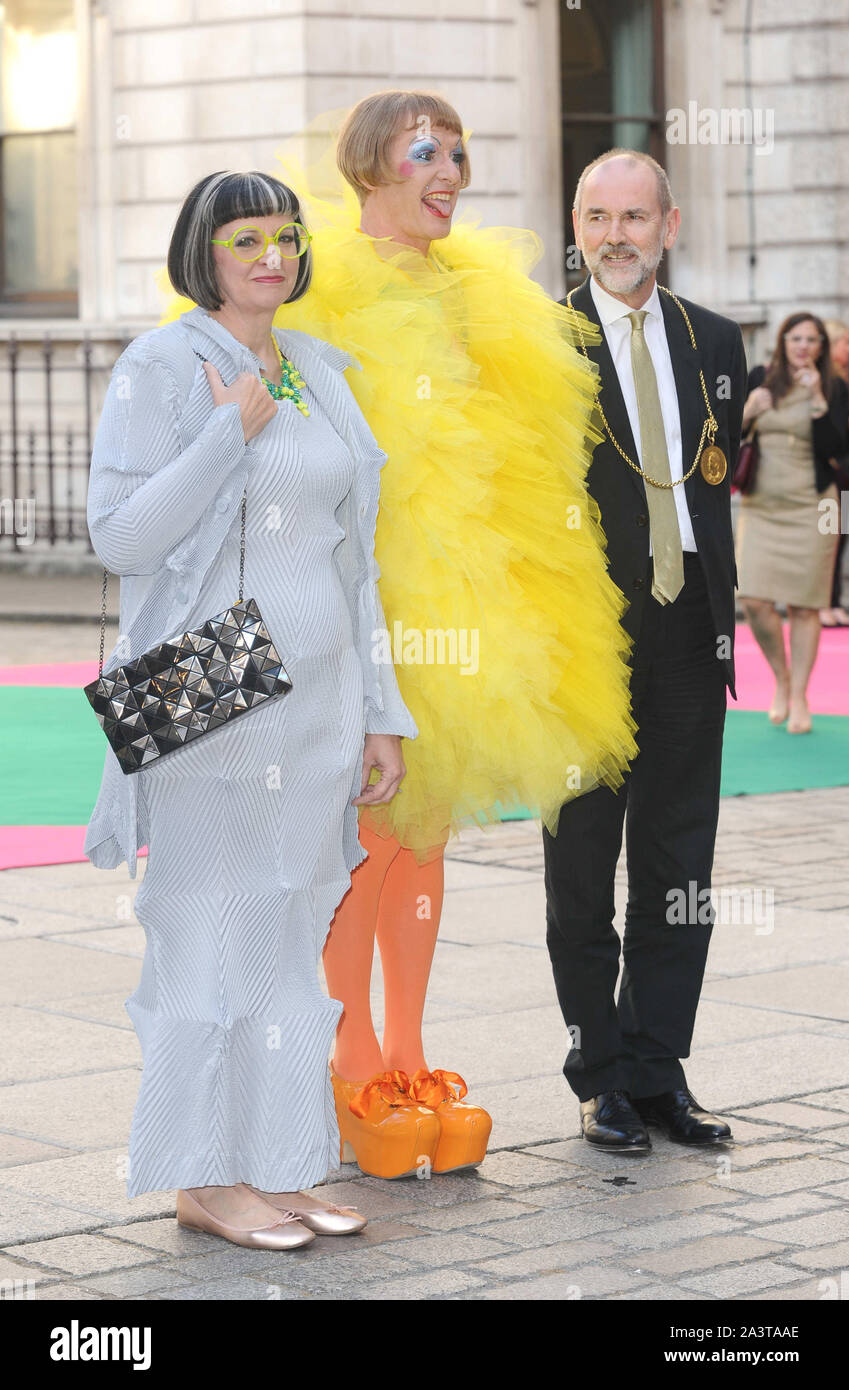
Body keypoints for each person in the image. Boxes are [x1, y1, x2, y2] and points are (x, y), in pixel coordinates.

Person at [258, 91, 637, 1177]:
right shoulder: (315, 286)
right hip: (370, 599)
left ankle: (413, 1054)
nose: (453, 172)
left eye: (461, 153)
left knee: (427, 832)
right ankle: (353, 1063)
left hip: (473, 604)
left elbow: (522, 454)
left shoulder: (484, 295)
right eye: (429, 152)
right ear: (372, 163)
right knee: (372, 828)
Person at [84, 171, 418, 1248]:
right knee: (205, 934)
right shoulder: (162, 365)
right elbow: (122, 537)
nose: (269, 256)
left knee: (284, 935)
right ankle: (200, 1175)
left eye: (284, 236)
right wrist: (226, 435)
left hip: (318, 701)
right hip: (212, 692)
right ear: (204, 250)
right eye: (244, 239)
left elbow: (356, 562)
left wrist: (383, 710)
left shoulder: (318, 369)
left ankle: (275, 1165)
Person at [544, 149, 746, 1153]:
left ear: (670, 225)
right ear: (574, 225)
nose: (615, 234)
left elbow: (715, 483)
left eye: (635, 216)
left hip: (687, 634)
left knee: (681, 863)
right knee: (581, 862)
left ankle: (661, 1066)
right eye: (596, 215)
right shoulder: (536, 342)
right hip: (583, 639)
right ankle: (600, 1072)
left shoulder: (717, 338)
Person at [737, 313, 849, 732]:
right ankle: (780, 679)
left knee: (806, 606)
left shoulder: (835, 387)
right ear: (782, 341)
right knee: (753, 600)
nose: (802, 346)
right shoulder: (760, 378)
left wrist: (819, 400)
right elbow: (724, 435)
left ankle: (799, 693)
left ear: (822, 347)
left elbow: (837, 450)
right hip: (762, 506)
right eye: (795, 338)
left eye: (812, 339)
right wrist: (748, 409)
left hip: (814, 506)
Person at [819, 321, 849, 627]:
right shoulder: (827, 384)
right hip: (832, 479)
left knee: (841, 539)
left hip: (846, 482)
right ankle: (822, 603)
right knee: (827, 538)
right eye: (845, 343)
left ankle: (835, 600)